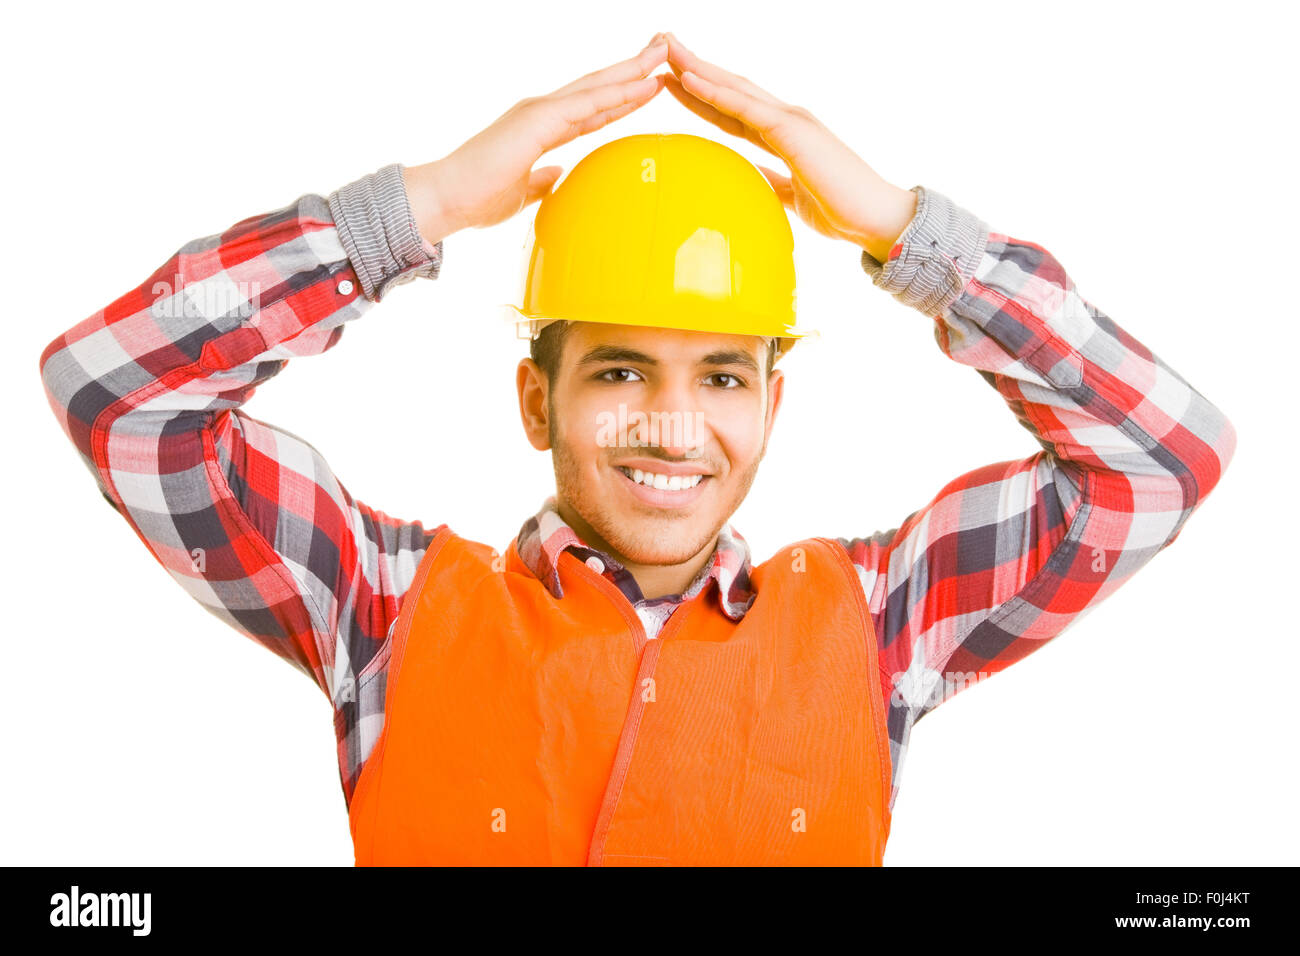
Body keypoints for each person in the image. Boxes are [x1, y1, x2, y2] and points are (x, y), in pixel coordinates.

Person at [38, 32, 1236, 865]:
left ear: (772, 406)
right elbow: (117, 393)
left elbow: (1164, 455)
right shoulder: (380, 603)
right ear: (535, 400)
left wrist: (908, 234)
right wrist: (418, 209)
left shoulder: (882, 622)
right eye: (618, 370)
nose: (673, 422)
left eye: (721, 375)